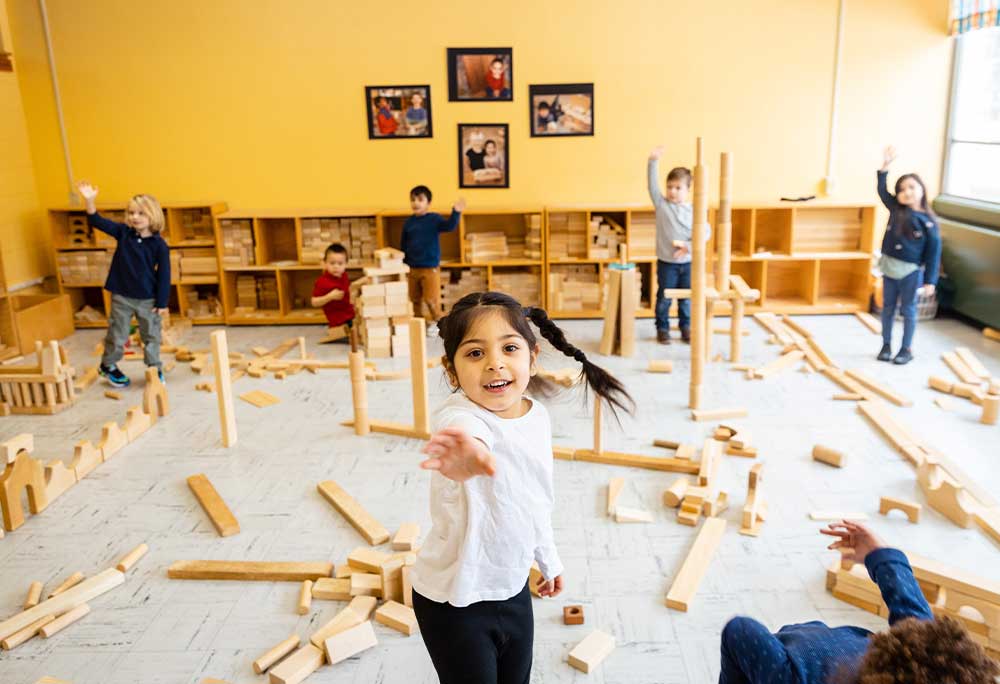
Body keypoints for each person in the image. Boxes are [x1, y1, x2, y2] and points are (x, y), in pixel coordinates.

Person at [410, 291, 634, 684]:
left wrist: (548, 559)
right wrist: (467, 454)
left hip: (512, 586)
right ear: (452, 372)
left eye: (508, 348)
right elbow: (465, 432)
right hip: (454, 598)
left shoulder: (537, 416)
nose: (495, 363)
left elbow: (535, 499)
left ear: (531, 358)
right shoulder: (460, 416)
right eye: (475, 354)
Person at [719, 520, 998, 683]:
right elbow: (911, 608)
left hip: (800, 650)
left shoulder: (792, 678)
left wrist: (878, 552)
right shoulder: (921, 652)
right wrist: (878, 554)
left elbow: (740, 631)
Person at [77, 181, 169, 388]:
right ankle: (108, 365)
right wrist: (90, 200)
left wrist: (162, 302)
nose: (134, 217)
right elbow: (96, 220)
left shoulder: (159, 246)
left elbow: (164, 274)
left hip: (148, 299)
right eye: (131, 213)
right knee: (117, 334)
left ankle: (155, 367)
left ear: (153, 216)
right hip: (122, 297)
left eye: (140, 213)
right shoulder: (123, 233)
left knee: (151, 335)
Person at [875, 145, 941, 365]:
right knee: (888, 308)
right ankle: (886, 344)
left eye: (912, 187)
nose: (907, 192)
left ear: (922, 188)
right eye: (902, 189)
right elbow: (883, 191)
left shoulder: (929, 222)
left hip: (911, 272)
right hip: (890, 267)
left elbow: (933, 254)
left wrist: (931, 281)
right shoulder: (896, 208)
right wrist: (885, 168)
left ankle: (906, 348)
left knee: (909, 309)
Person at [648, 146, 706, 344]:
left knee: (686, 298)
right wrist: (653, 162)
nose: (672, 191)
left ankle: (685, 327)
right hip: (667, 262)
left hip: (688, 262)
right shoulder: (662, 205)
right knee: (664, 298)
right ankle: (662, 329)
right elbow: (652, 186)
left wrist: (687, 247)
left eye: (678, 188)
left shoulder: (693, 210)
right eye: (670, 187)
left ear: (688, 190)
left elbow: (705, 232)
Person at [400, 185, 464, 323]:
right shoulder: (408, 223)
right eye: (413, 199)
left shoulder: (434, 219)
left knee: (431, 299)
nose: (415, 203)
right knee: (414, 299)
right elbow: (404, 244)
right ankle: (418, 324)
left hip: (430, 268)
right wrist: (403, 261)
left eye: (420, 199)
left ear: (428, 203)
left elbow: (450, 226)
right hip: (412, 268)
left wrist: (456, 212)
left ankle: (438, 323)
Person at [310, 243, 355, 338]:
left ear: (346, 264)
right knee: (354, 332)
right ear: (325, 263)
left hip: (351, 313)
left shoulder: (344, 276)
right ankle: (339, 332)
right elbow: (314, 302)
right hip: (339, 320)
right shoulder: (322, 282)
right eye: (332, 263)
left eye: (340, 263)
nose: (336, 267)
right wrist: (329, 297)